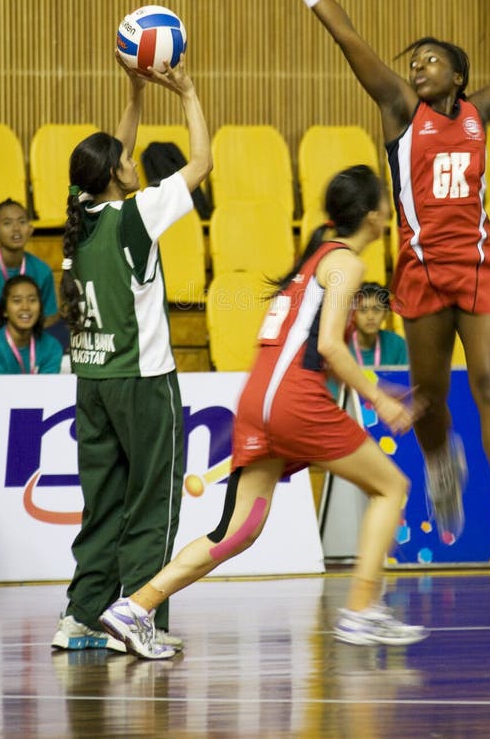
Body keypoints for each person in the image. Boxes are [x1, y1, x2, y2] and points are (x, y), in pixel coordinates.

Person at [251, 0, 490, 574]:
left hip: (480, 266)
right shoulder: (402, 111)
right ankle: (441, 466)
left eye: (432, 60)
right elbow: (349, 38)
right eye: (414, 61)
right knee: (429, 400)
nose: (417, 67)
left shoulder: (477, 112)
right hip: (422, 274)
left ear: (458, 76)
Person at [97, 164, 429, 659]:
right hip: (295, 401)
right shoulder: (346, 263)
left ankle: (135, 608)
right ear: (374, 216)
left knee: (239, 531)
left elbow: (313, 346)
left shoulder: (315, 258)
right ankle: (362, 609)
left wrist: (373, 385)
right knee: (392, 487)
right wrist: (377, 398)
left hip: (260, 399)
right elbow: (330, 346)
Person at [51, 51, 212, 655]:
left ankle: (82, 617)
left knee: (103, 504)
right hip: (142, 384)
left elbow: (111, 153)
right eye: (127, 159)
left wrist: (135, 93)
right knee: (151, 504)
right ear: (115, 176)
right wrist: (186, 93)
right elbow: (202, 162)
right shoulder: (136, 216)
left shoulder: (81, 213)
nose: (134, 158)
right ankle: (137, 618)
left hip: (91, 383)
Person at [0, 198, 58, 329]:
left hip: (26, 336)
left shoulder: (42, 271)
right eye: (7, 223)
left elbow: (49, 317)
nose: (16, 228)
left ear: (30, 229)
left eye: (22, 222)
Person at [0, 274, 63, 373]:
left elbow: (47, 383)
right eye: (17, 301)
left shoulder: (51, 347)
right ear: (4, 310)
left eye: (32, 300)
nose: (25, 307)